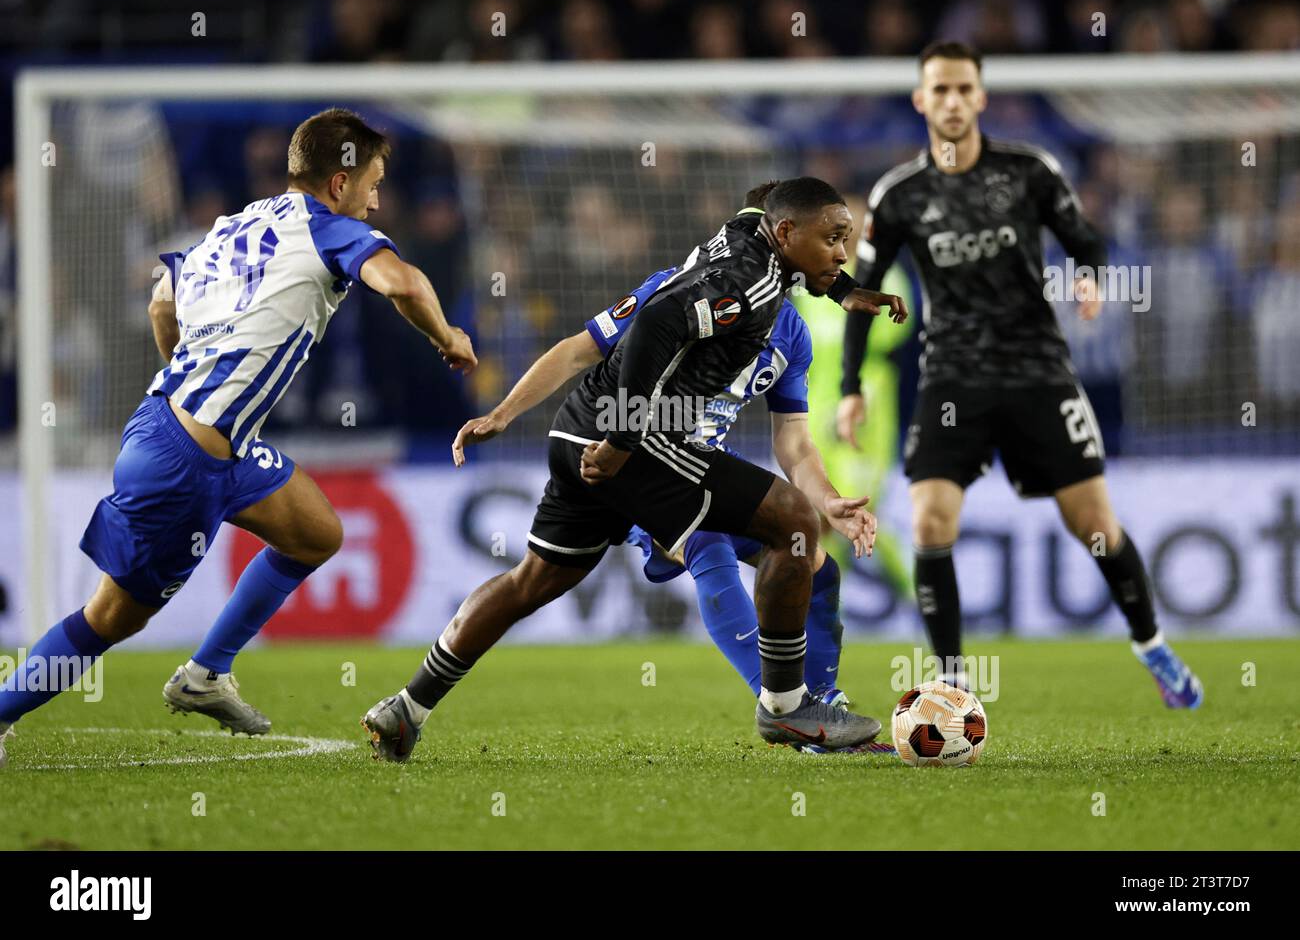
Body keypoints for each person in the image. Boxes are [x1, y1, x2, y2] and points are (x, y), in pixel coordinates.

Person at [362, 177, 908, 762]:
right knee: (778, 527)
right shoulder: (732, 285)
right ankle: (787, 709)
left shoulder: (785, 321)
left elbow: (793, 439)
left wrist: (829, 498)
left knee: (535, 580)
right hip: (635, 442)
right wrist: (520, 413)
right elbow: (601, 341)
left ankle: (406, 708)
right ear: (782, 231)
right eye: (832, 238)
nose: (842, 253)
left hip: (602, 436)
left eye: (844, 239)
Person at [0, 108, 476, 768]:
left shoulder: (236, 224)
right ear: (338, 183)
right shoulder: (331, 232)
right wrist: (447, 337)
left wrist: (182, 376)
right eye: (372, 181)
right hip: (184, 463)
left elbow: (162, 301)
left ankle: (206, 673)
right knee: (110, 618)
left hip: (199, 441)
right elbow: (403, 281)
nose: (377, 196)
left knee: (316, 532)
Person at [834, 41, 1202, 707]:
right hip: (953, 377)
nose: (950, 101)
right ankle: (952, 681)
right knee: (928, 522)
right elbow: (863, 291)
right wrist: (850, 386)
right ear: (921, 101)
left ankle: (1151, 644)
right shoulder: (899, 195)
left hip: (1038, 371)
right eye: (938, 90)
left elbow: (1085, 239)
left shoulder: (1029, 171)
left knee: (1094, 523)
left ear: (980, 97)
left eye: (962, 89)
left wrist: (1091, 276)